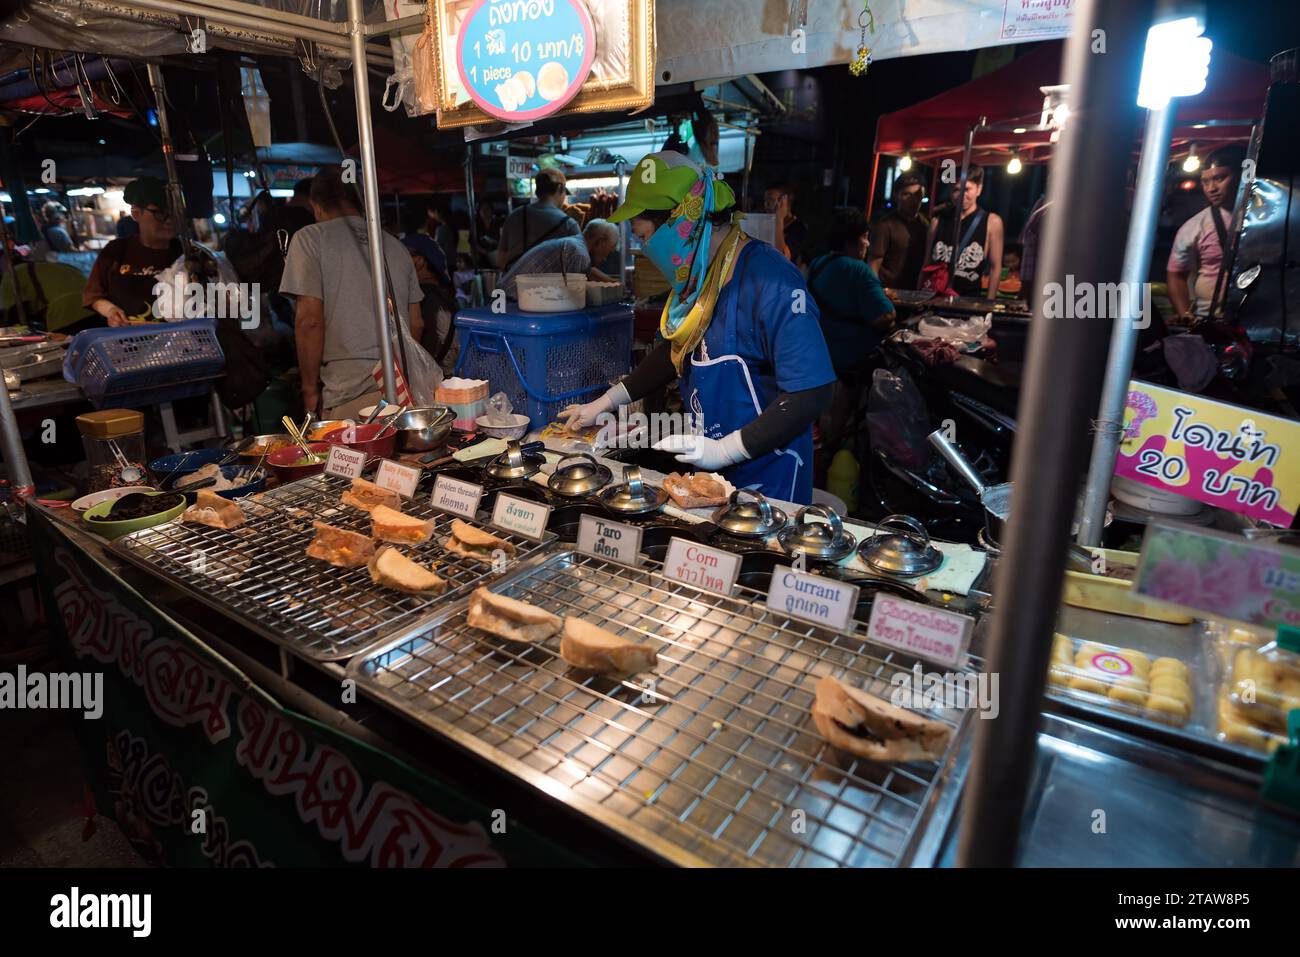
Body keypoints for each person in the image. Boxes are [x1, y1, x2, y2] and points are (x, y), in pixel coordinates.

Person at [559, 152, 835, 505]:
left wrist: (724, 450)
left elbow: (811, 393)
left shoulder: (773, 283)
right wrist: (605, 402)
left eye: (644, 237)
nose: (644, 249)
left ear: (681, 225)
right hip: (712, 475)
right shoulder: (701, 279)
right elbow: (675, 351)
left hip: (768, 482)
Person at [280, 164, 425, 419]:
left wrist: (309, 389)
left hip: (349, 396)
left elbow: (309, 322)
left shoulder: (310, 239)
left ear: (316, 206)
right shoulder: (396, 246)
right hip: (402, 393)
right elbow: (416, 324)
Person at [808, 210, 896, 455]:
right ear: (850, 241)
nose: (867, 244)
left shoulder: (818, 264)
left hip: (819, 354)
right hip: (850, 359)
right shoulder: (859, 270)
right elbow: (884, 316)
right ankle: (836, 447)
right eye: (865, 237)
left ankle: (819, 447)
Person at [83, 176, 183, 327]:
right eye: (160, 213)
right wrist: (111, 311)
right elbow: (93, 296)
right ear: (137, 214)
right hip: (127, 340)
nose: (170, 220)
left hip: (178, 341)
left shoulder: (186, 254)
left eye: (175, 213)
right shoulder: (116, 251)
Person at [1167, 145, 1244, 321]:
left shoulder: (1268, 218)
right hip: (1209, 318)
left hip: (1260, 317)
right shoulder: (1193, 227)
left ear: (1242, 176)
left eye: (1219, 178)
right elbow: (1176, 275)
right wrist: (1185, 315)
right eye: (1205, 181)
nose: (1211, 188)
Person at [925, 165, 1003, 299]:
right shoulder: (937, 222)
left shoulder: (992, 222)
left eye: (967, 189)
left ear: (979, 189)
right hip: (934, 299)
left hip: (969, 300)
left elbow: (995, 268)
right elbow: (926, 263)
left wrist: (989, 305)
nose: (961, 195)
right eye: (956, 190)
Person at [497, 219, 618, 300]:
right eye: (610, 248)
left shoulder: (574, 244)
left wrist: (613, 283)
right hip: (509, 302)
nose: (606, 257)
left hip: (503, 297)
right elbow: (575, 299)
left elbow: (590, 272)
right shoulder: (580, 254)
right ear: (601, 240)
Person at [496, 168, 580, 271]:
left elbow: (500, 261)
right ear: (560, 188)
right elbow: (577, 268)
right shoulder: (568, 224)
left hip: (515, 285)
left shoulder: (514, 216)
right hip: (551, 286)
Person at [402, 233, 457, 374]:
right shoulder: (447, 297)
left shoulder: (424, 300)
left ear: (419, 262)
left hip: (434, 382)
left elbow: (423, 349)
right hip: (451, 376)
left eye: (403, 256)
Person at [868, 173, 928, 289]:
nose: (913, 200)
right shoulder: (885, 225)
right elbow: (873, 266)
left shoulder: (926, 224)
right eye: (907, 194)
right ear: (897, 195)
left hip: (916, 293)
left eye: (917, 195)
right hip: (889, 292)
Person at [764, 181, 808, 266]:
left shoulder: (798, 228)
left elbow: (781, 258)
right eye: (765, 200)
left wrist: (779, 219)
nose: (766, 205)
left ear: (785, 200)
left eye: (771, 200)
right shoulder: (767, 225)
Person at [422, 201, 458, 273]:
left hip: (446, 261)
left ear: (440, 214)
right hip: (454, 260)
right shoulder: (452, 227)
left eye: (436, 212)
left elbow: (437, 246)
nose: (435, 215)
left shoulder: (442, 229)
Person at [474, 199, 500, 267]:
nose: (484, 211)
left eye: (487, 209)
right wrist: (484, 251)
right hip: (481, 258)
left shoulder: (498, 223)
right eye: (482, 209)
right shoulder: (476, 226)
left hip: (497, 255)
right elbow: (472, 242)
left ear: (492, 210)